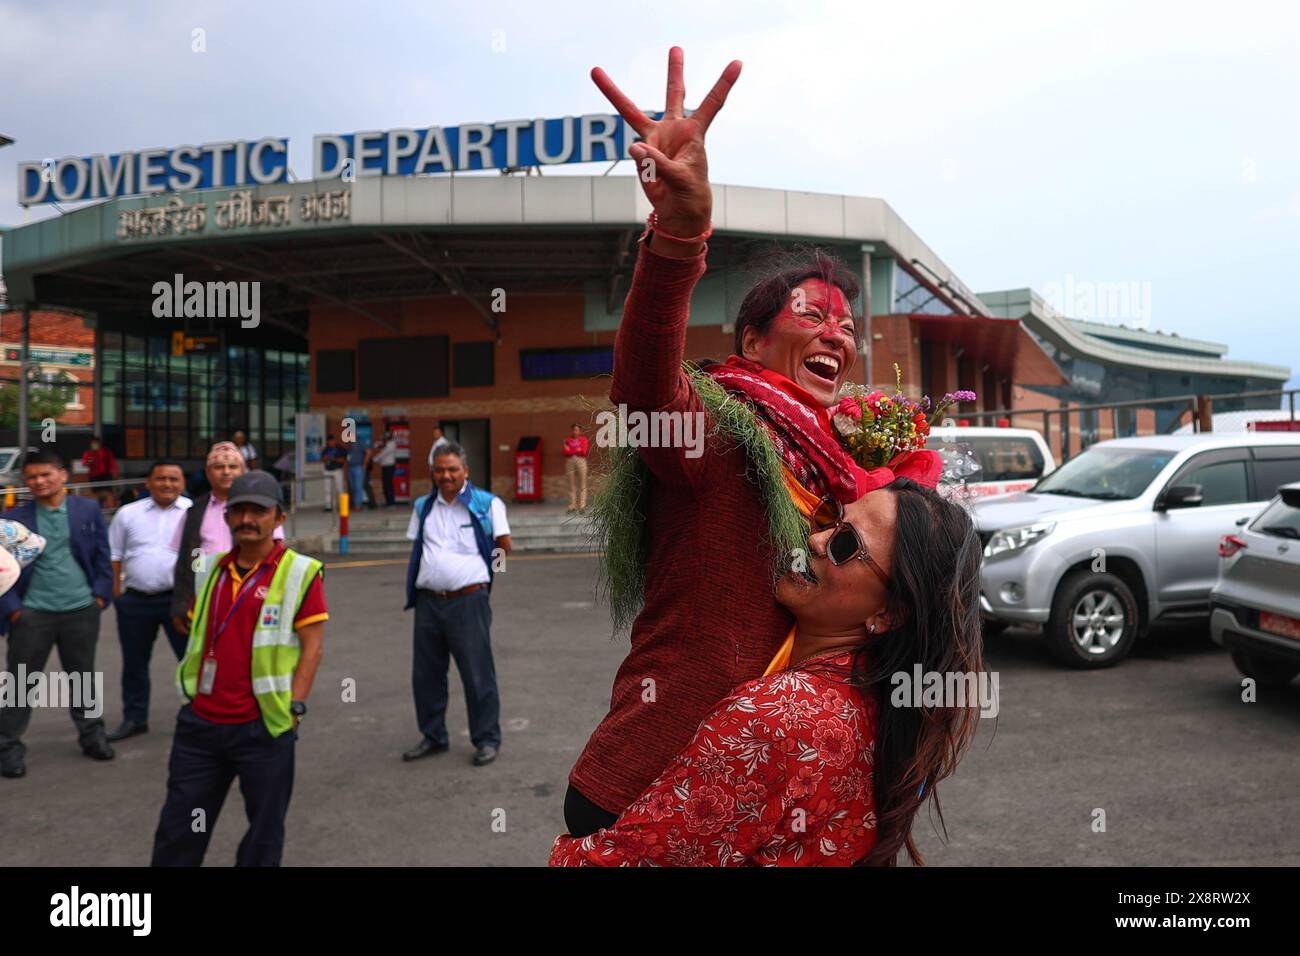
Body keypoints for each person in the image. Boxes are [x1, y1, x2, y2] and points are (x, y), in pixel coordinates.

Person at [566, 48, 922, 833]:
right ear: (753, 344)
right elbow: (645, 390)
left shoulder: (848, 465)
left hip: (775, 788)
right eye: (811, 316)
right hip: (653, 786)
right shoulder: (725, 432)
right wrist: (679, 237)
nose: (838, 336)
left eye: (848, 326)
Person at [551, 477, 983, 866]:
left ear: (889, 613)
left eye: (845, 545)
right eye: (831, 518)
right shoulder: (887, 704)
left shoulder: (778, 714)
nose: (815, 540)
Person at [151, 470, 327, 867]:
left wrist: (295, 709)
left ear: (278, 518)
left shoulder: (299, 572)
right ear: (227, 516)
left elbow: (313, 648)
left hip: (263, 728)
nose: (247, 518)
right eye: (239, 510)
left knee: (263, 837)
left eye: (258, 511)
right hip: (200, 727)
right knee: (178, 831)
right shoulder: (209, 569)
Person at [0, 451, 114, 778]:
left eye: (46, 474)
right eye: (32, 477)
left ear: (63, 475)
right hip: (32, 612)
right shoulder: (14, 517)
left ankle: (92, 735)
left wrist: (101, 596)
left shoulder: (87, 509)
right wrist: (14, 611)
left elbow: (102, 555)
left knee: (83, 677)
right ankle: (8, 746)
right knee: (21, 682)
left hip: (81, 608)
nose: (38, 482)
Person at [402, 441, 511, 766]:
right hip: (428, 604)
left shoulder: (486, 504)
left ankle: (487, 739)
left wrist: (483, 579)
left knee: (477, 674)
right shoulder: (423, 506)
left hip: (468, 602)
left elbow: (504, 545)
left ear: (465, 470)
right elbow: (418, 547)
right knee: (426, 674)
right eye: (440, 470)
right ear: (433, 472)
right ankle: (433, 736)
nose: (446, 475)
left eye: (452, 469)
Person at [105, 462, 192, 742]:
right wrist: (117, 596)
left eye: (173, 479)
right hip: (135, 602)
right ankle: (135, 718)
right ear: (148, 482)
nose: (167, 484)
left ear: (182, 483)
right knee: (134, 663)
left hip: (178, 601)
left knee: (190, 661)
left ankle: (196, 717)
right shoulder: (128, 514)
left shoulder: (193, 512)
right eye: (161, 478)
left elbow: (201, 556)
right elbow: (115, 555)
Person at [169, 442, 283, 638]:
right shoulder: (194, 512)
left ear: (243, 470)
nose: (226, 472)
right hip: (205, 598)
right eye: (219, 467)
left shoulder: (262, 509)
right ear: (207, 472)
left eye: (233, 467)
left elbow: (277, 553)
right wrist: (181, 603)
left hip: (252, 595)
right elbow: (185, 562)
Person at [81, 436, 119, 510]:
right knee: (95, 494)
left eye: (96, 443)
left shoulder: (107, 452)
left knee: (108, 494)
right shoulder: (88, 453)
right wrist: (90, 461)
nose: (94, 445)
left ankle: (110, 511)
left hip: (106, 476)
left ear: (100, 443)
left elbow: (112, 464)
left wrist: (115, 474)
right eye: (93, 443)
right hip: (94, 477)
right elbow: (84, 463)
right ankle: (96, 511)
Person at [563, 424, 589, 513]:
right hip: (570, 461)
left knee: (582, 484)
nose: (575, 431)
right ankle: (572, 505)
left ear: (580, 431)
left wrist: (572, 450)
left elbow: (584, 451)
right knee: (571, 484)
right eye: (574, 430)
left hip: (581, 461)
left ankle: (582, 506)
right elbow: (566, 452)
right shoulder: (567, 440)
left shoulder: (584, 439)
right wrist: (577, 450)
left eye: (577, 430)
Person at [321, 434, 348, 513]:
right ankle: (328, 506)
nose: (331, 443)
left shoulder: (340, 449)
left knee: (340, 488)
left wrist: (334, 459)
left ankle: (342, 506)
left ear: (334, 441)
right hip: (328, 470)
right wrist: (325, 459)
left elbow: (343, 460)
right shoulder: (326, 449)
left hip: (337, 470)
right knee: (327, 488)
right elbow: (323, 458)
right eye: (329, 442)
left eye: (332, 441)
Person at [374, 431, 398, 508]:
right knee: (385, 485)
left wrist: (374, 459)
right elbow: (375, 445)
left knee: (389, 485)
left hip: (389, 467)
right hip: (384, 467)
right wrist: (381, 441)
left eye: (385, 437)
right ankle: (388, 502)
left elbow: (383, 454)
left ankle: (392, 503)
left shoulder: (391, 444)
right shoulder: (385, 443)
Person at [345, 435, 368, 512]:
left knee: (358, 487)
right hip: (350, 467)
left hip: (358, 467)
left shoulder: (360, 441)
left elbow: (369, 451)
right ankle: (355, 504)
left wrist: (364, 463)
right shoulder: (349, 443)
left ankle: (358, 506)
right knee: (353, 487)